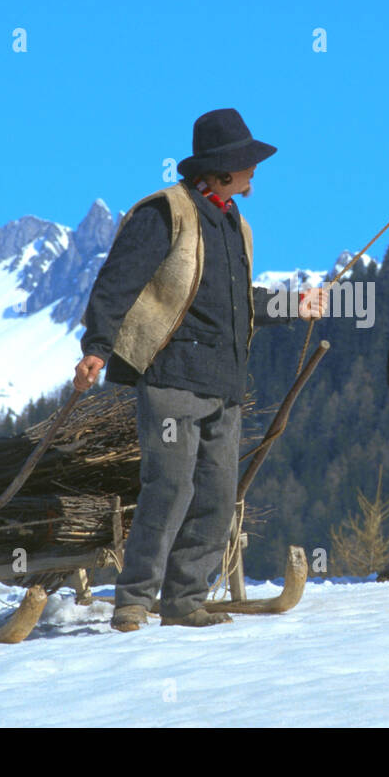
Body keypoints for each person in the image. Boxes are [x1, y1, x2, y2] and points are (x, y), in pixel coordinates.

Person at [74, 108, 326, 630]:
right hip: (170, 378)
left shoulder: (236, 225)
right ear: (222, 168)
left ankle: (185, 599)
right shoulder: (165, 213)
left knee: (215, 495)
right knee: (169, 487)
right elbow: (116, 282)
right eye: (247, 164)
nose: (254, 174)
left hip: (222, 386)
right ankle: (134, 600)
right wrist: (96, 345)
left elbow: (241, 304)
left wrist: (293, 305)